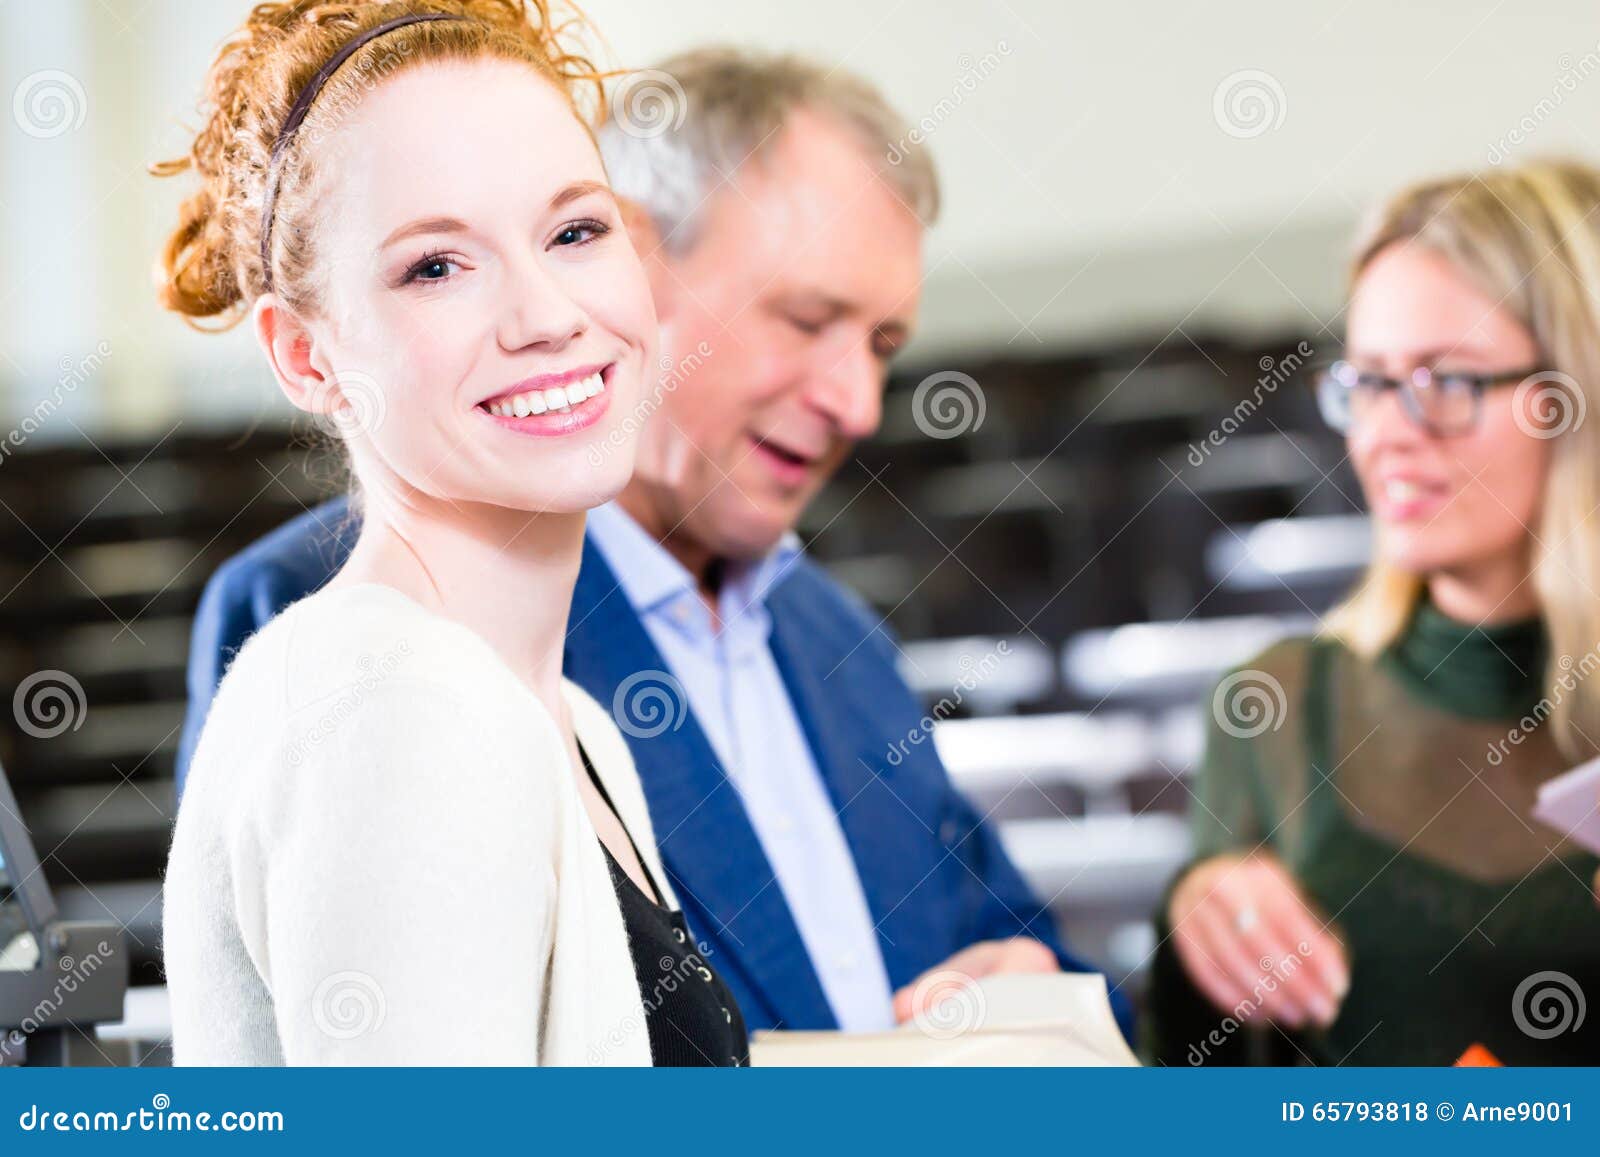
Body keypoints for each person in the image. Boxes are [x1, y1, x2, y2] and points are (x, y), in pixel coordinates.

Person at [177, 45, 1133, 1037]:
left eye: (573, 233)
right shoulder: (378, 673)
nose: (856, 402)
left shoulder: (786, 656)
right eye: (436, 265)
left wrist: (1029, 1001)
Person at [159, 0, 749, 1066]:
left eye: (575, 231)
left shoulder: (560, 719)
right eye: (435, 265)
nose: (546, 314)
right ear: (305, 356)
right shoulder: (394, 707)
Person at [1146, 159, 1600, 1066]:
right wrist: (1197, 933)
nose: (1388, 433)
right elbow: (1199, 1096)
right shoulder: (1277, 707)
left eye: (1448, 381)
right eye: (1368, 384)